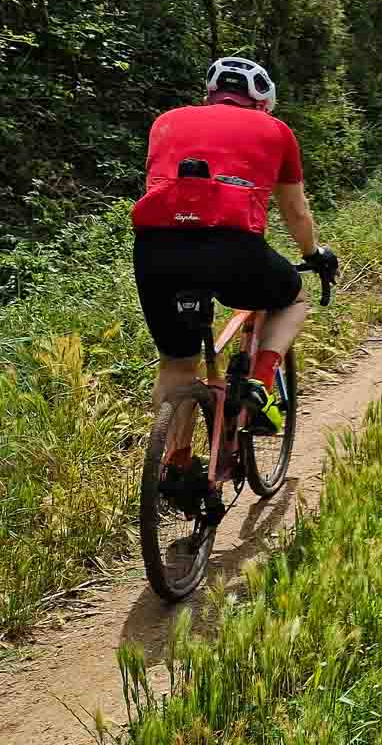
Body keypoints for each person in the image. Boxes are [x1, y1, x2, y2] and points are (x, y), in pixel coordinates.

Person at [130, 57, 339, 490]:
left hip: (156, 250)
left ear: (209, 93)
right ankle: (260, 383)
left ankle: (176, 464)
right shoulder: (276, 131)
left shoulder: (166, 122)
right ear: (262, 102)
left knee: (177, 362)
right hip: (232, 249)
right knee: (293, 297)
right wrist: (313, 253)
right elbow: (296, 212)